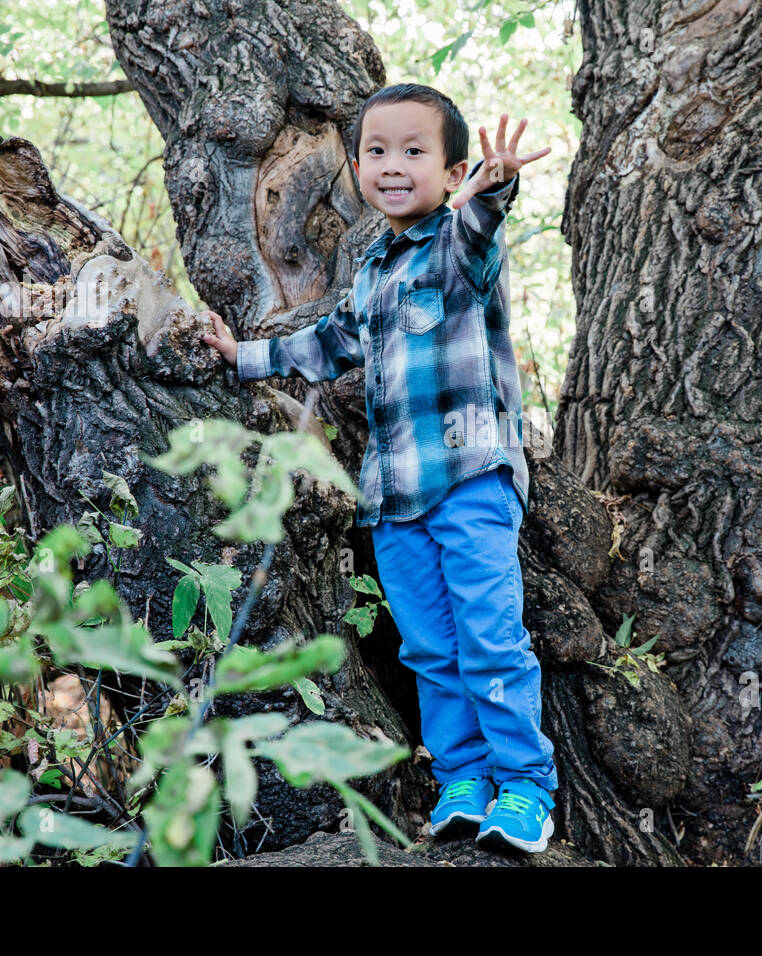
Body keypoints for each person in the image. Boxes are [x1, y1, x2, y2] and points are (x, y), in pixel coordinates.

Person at [200, 83, 559, 853]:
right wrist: (242, 357)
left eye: (414, 151)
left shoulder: (459, 249)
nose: (393, 165)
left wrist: (494, 188)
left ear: (451, 169)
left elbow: (481, 231)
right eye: (377, 152)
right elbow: (327, 344)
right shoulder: (372, 271)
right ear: (358, 167)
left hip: (469, 481)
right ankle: (463, 777)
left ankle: (526, 786)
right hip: (393, 500)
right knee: (430, 647)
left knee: (490, 637)